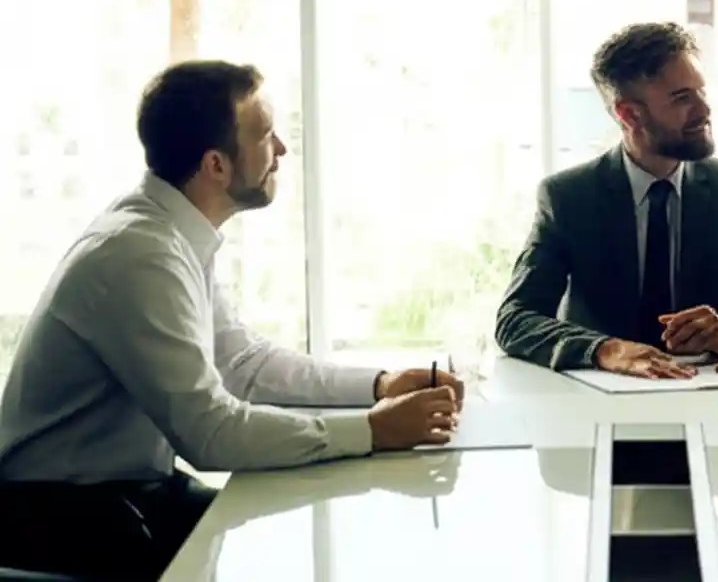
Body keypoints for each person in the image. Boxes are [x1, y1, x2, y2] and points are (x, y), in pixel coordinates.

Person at [0, 61, 465, 579]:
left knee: (284, 536)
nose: (282, 151)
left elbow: (241, 362)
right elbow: (211, 433)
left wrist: (378, 386)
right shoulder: (140, 254)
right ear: (216, 165)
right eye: (266, 136)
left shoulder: (172, 232)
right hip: (59, 515)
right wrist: (372, 431)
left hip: (127, 493)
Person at [497, 21, 718, 379]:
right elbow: (515, 319)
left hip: (709, 392)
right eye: (682, 98)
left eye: (701, 92)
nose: (704, 110)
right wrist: (604, 349)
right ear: (629, 114)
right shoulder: (568, 197)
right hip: (600, 394)